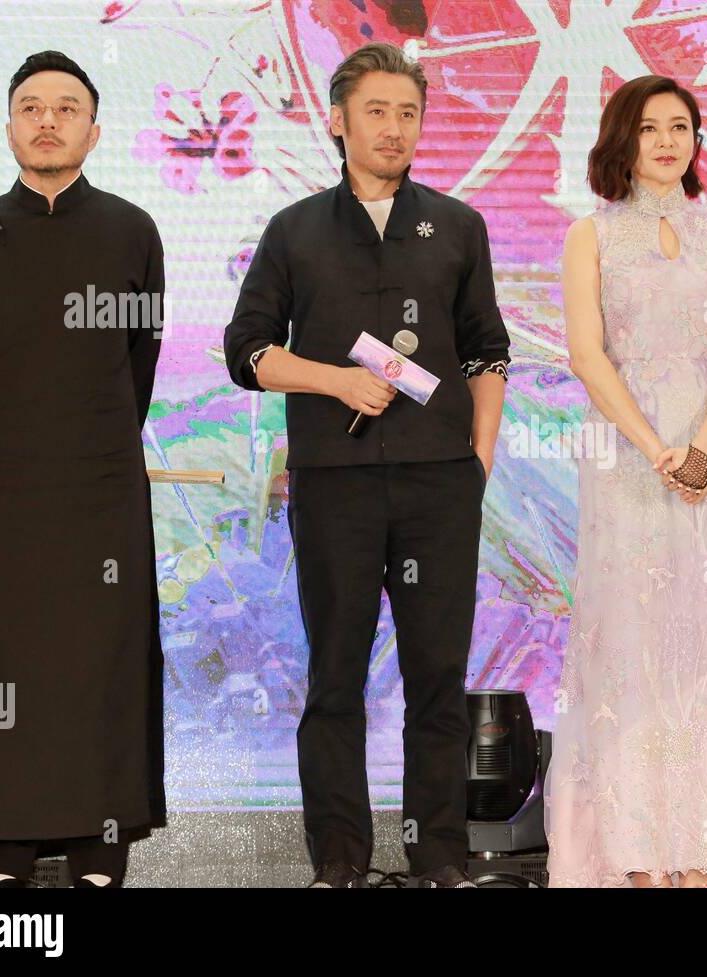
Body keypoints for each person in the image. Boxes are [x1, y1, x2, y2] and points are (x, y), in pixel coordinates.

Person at [223, 42, 509, 889]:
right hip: (334, 480)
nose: (393, 128)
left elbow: (487, 354)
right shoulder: (295, 230)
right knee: (335, 676)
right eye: (376, 111)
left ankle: (441, 860)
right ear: (339, 120)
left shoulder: (458, 225)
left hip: (440, 482)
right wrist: (333, 378)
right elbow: (246, 351)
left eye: (409, 112)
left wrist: (478, 461)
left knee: (438, 681)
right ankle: (340, 863)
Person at [0, 50, 166, 888]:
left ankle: (102, 860)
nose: (48, 120)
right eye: (32, 107)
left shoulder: (133, 231)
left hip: (102, 486)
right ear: (8, 129)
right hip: (3, 491)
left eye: (67, 107)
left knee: (103, 666)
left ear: (94, 131)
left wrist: (86, 439)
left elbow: (140, 363)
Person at [543, 75, 707, 888]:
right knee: (632, 645)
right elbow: (585, 354)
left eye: (682, 127)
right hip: (626, 461)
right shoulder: (590, 236)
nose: (668, 142)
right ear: (621, 141)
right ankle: (636, 855)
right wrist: (655, 448)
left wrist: (703, 445)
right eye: (650, 129)